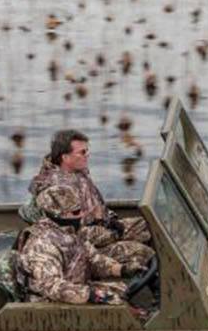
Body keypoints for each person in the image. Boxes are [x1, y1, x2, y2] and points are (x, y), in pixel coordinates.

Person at [28, 129, 153, 270]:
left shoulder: (77, 173)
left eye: (87, 150)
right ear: (65, 157)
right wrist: (114, 233)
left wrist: (111, 219)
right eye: (82, 152)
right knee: (141, 251)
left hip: (102, 228)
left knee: (150, 225)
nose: (87, 155)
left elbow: (97, 204)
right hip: (83, 250)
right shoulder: (58, 190)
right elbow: (73, 234)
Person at [16, 186, 135, 307]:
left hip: (74, 290)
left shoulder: (70, 232)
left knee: (125, 290)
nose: (82, 214)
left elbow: (93, 259)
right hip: (50, 306)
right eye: (76, 212)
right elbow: (51, 286)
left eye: (81, 209)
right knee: (119, 305)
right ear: (58, 215)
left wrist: (121, 269)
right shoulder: (42, 244)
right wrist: (92, 295)